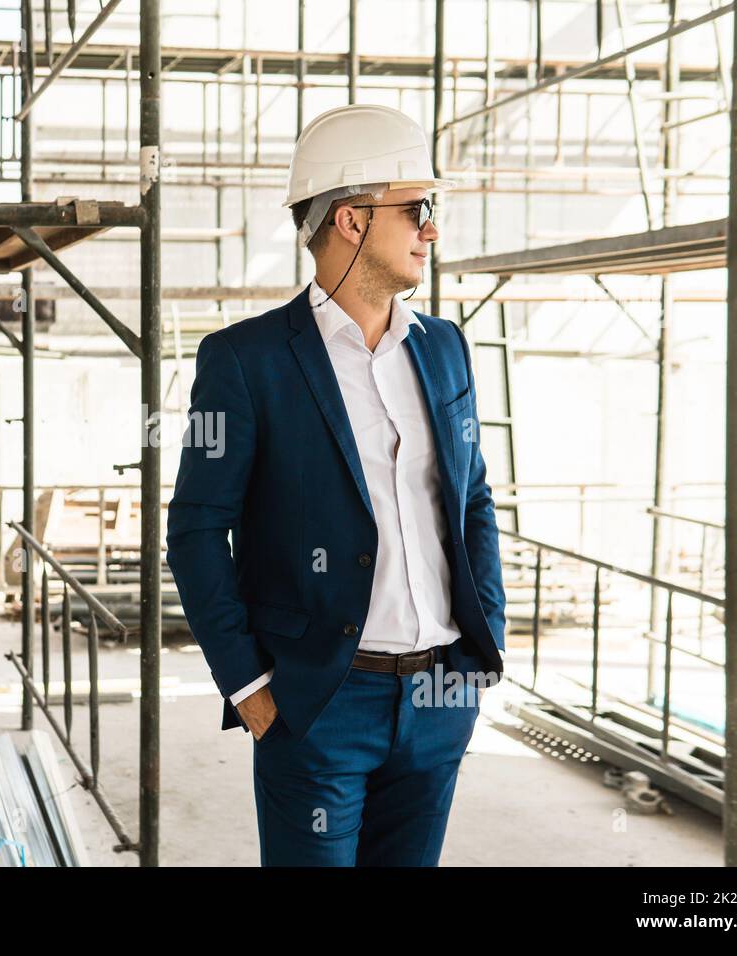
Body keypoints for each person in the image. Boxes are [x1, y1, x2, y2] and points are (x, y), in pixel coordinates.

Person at [165, 103, 506, 866]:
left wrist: (484, 652)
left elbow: (473, 498)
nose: (432, 228)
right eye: (418, 208)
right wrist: (250, 687)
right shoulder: (245, 362)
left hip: (439, 696)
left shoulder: (444, 348)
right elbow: (194, 529)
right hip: (321, 702)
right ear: (352, 220)